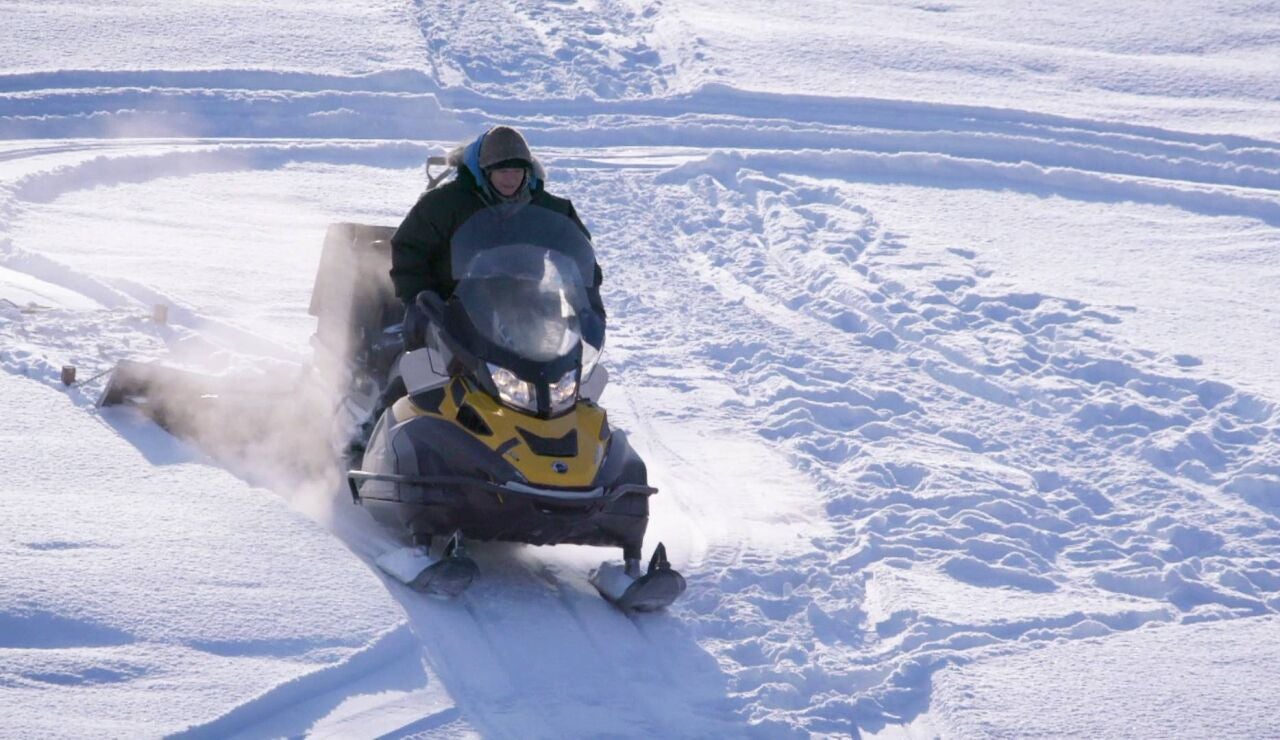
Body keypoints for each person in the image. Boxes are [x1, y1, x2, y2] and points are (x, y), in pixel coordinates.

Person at [390, 125, 605, 352]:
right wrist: (417, 301)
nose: (510, 179)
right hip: (453, 310)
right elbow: (410, 248)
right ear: (484, 170)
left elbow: (579, 257)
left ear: (528, 171)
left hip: (525, 308)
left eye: (517, 171)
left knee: (556, 376)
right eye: (502, 171)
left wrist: (588, 308)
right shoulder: (444, 203)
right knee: (425, 371)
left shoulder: (551, 210)